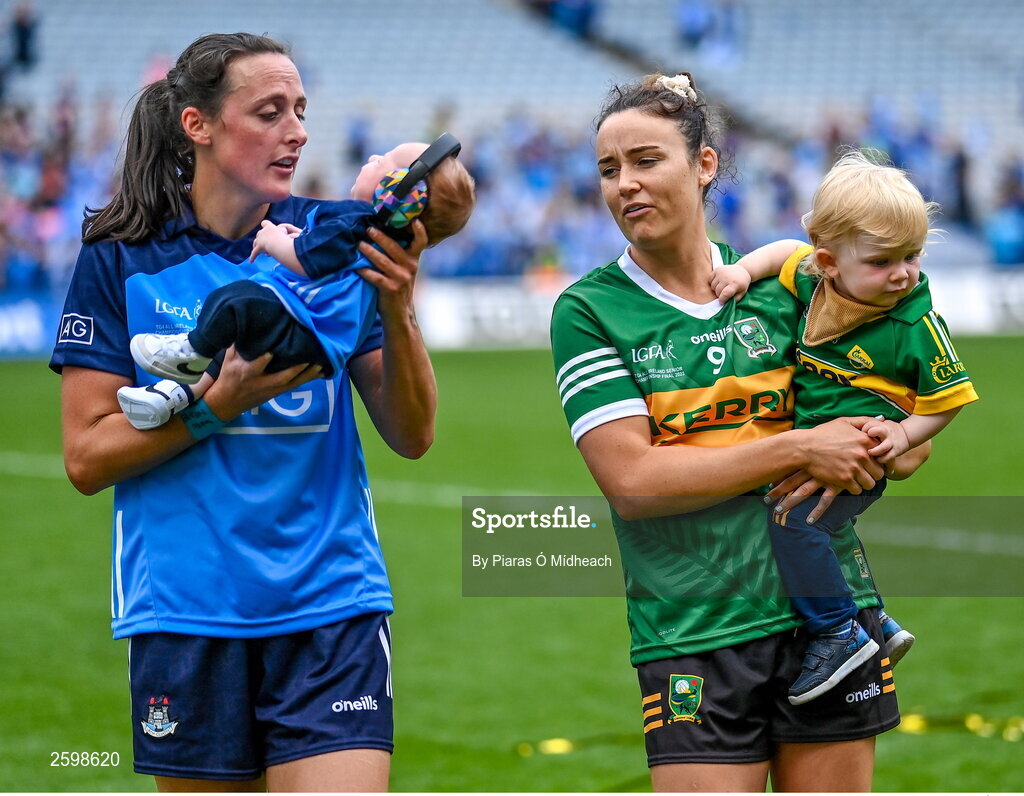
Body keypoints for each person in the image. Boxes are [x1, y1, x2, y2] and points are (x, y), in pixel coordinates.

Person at [50, 32, 439, 792]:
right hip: (186, 615)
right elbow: (85, 458)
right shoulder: (120, 254)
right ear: (198, 124)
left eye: (300, 109)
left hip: (333, 605)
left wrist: (398, 308)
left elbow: (413, 434)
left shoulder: (330, 243)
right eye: (269, 111)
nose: (296, 130)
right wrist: (212, 406)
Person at [549, 72, 932, 792]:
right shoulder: (589, 311)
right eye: (608, 169)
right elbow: (633, 483)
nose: (624, 184)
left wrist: (883, 438)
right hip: (694, 633)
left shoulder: (789, 288)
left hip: (832, 628)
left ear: (703, 166)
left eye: (646, 160)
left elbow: (907, 444)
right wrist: (799, 446)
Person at [709, 151, 978, 705]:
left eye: (913, 255)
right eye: (884, 261)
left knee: (793, 520)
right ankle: (875, 622)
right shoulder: (815, 283)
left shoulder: (914, 321)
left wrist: (904, 436)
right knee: (823, 526)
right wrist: (742, 271)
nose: (903, 273)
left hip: (865, 451)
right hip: (815, 444)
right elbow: (787, 252)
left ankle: (837, 632)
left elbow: (951, 399)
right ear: (829, 262)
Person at [115, 137, 475, 430]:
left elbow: (309, 259)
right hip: (315, 338)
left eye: (386, 160)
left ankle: (188, 348)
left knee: (235, 301)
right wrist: (299, 235)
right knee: (225, 354)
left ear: (398, 194)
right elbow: (323, 249)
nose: (373, 155)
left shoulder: (356, 223)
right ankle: (169, 395)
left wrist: (274, 239)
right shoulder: (365, 237)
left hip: (303, 326)